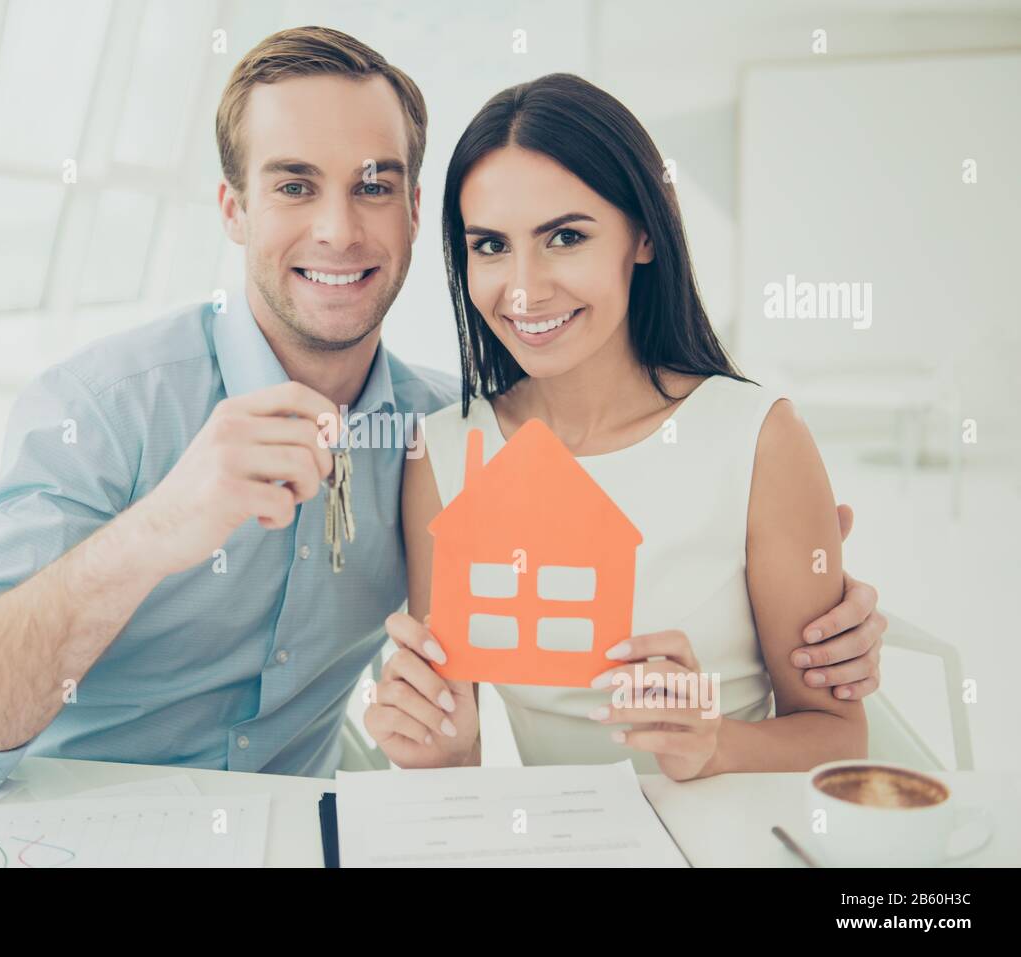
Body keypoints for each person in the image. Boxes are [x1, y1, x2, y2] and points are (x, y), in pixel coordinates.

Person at [0, 30, 885, 791]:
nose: (336, 227)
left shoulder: (437, 440)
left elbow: (466, 719)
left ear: (411, 213)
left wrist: (812, 600)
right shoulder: (105, 407)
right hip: (55, 830)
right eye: (293, 184)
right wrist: (158, 532)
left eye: (373, 185)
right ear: (232, 210)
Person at [364, 73, 878, 780]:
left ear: (642, 234)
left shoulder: (758, 438)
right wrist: (439, 745)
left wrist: (713, 743)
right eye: (489, 246)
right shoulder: (447, 455)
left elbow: (839, 736)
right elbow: (460, 753)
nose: (524, 287)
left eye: (565, 237)